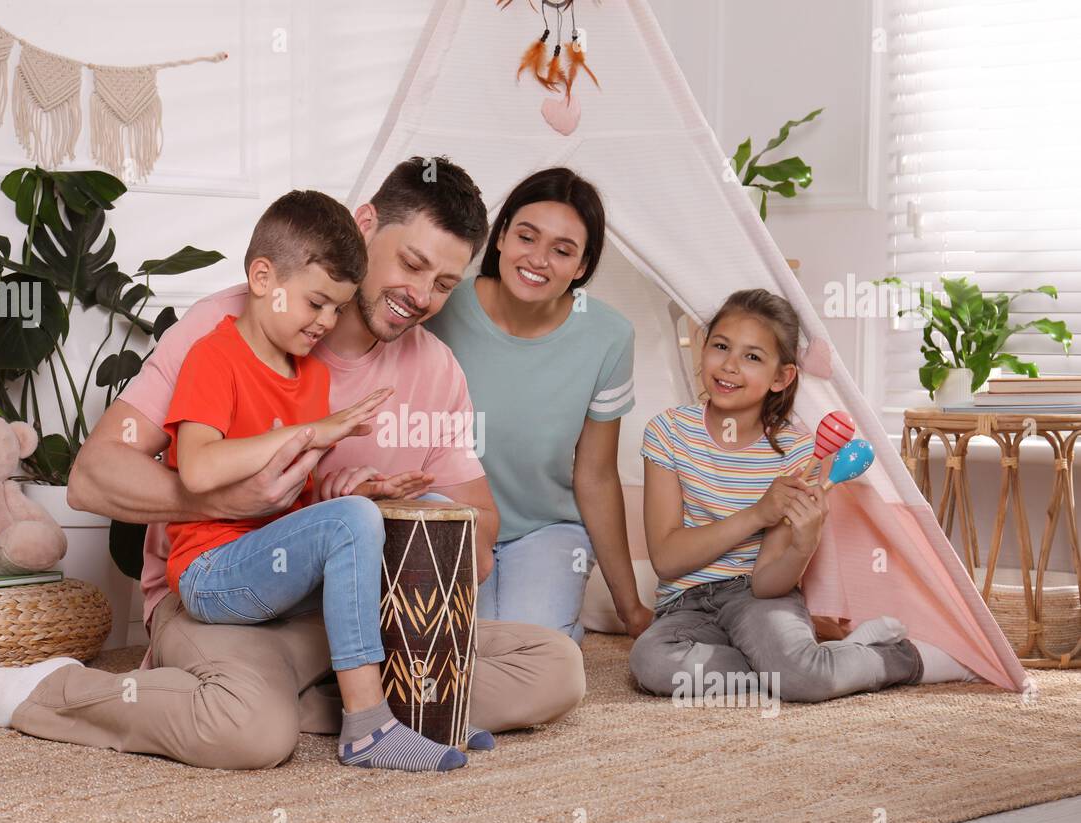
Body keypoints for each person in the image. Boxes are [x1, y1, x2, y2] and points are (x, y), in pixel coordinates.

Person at [0, 156, 585, 770]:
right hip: (223, 608)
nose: (421, 295)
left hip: (351, 617)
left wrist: (382, 516)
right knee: (252, 736)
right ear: (364, 226)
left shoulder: (434, 369)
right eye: (410, 264)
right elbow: (94, 475)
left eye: (443, 283)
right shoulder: (230, 326)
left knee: (556, 667)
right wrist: (232, 501)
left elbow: (483, 536)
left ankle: (334, 701)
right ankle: (47, 690)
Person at [162, 189, 465, 772]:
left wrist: (351, 491)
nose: (327, 323)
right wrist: (313, 434)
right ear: (261, 277)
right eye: (316, 304)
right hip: (209, 573)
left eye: (337, 309)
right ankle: (368, 727)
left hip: (267, 568)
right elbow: (197, 469)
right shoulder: (214, 354)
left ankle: (428, 709)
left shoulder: (308, 376)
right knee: (353, 523)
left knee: (416, 512)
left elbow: (294, 504)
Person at [628, 289, 978, 702]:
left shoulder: (798, 454)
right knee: (650, 663)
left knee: (800, 674)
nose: (729, 365)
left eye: (752, 357)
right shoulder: (668, 433)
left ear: (782, 377)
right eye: (721, 346)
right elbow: (668, 559)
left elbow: (766, 585)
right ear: (703, 348)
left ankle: (903, 659)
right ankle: (818, 660)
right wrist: (758, 514)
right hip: (685, 604)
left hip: (755, 597)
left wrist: (803, 542)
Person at [425, 167, 653, 645]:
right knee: (463, 646)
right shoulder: (442, 305)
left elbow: (595, 476)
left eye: (563, 250)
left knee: (530, 650)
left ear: (583, 266)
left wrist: (631, 609)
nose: (538, 259)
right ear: (502, 235)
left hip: (546, 532)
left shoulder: (609, 336)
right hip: (454, 520)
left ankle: (560, 619)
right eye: (526, 236)